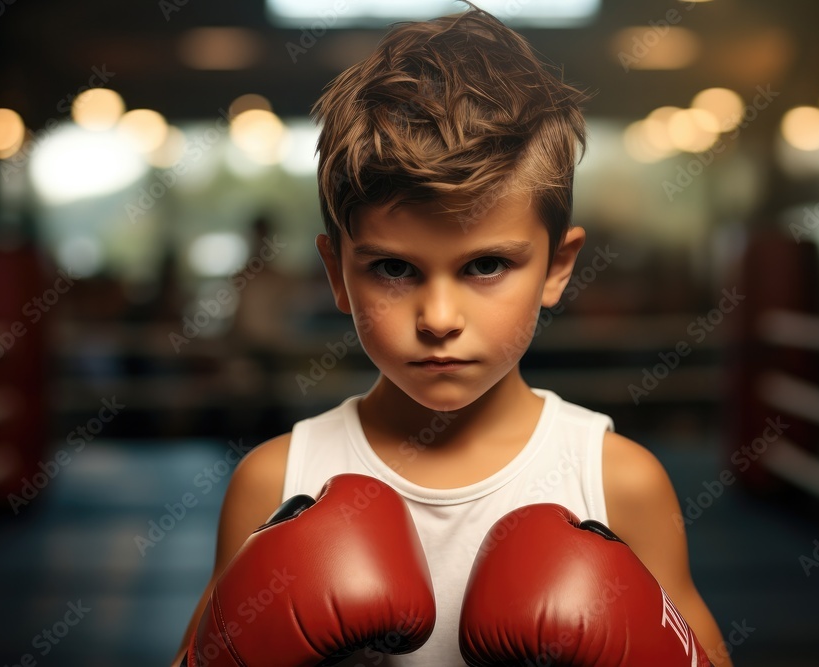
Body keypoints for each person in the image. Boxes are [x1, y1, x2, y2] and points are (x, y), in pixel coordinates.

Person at [172, 3, 733, 665]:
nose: (438, 316)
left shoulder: (617, 481)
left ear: (557, 267)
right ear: (336, 273)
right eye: (392, 268)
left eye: (487, 265)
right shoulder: (275, 482)